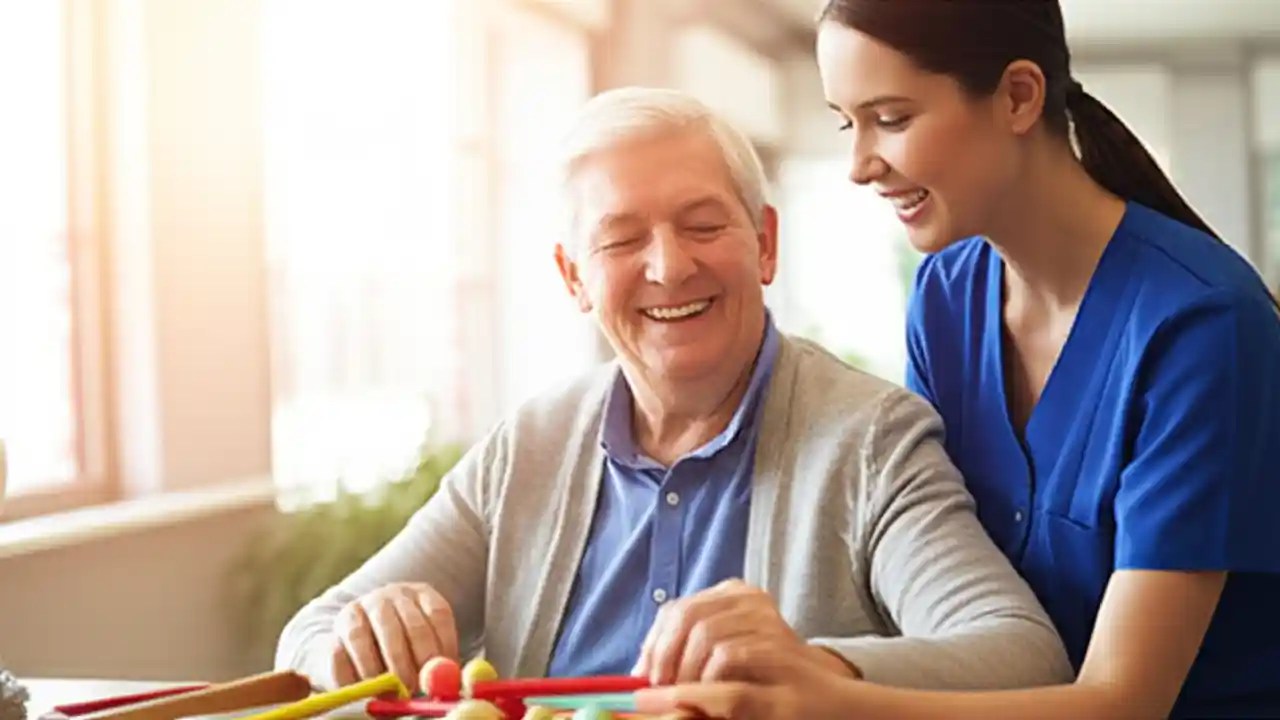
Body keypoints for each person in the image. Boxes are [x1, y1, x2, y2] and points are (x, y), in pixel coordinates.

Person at [275, 87, 1072, 695]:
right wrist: (360, 634)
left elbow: (1023, 652)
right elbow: (306, 635)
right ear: (573, 278)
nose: (668, 267)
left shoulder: (869, 439)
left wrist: (813, 667)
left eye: (702, 225)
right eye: (622, 239)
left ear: (763, 243)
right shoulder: (532, 445)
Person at [636, 1, 1280, 718]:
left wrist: (828, 701)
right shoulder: (948, 295)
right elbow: (938, 584)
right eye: (848, 123)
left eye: (893, 119)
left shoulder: (1203, 325)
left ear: (1018, 97)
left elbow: (1124, 702)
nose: (859, 165)